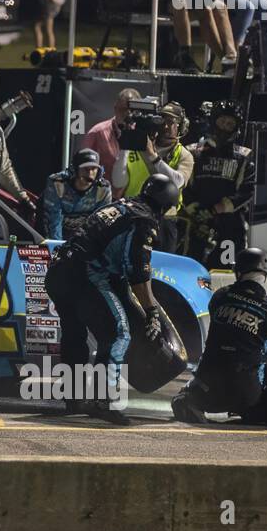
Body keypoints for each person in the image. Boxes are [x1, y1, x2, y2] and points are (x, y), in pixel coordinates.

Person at [45, 173, 180, 426]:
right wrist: (151, 311)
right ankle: (102, 400)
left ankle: (73, 399)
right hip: (84, 274)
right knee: (118, 334)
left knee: (74, 334)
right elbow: (138, 271)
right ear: (164, 205)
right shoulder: (144, 221)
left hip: (59, 271)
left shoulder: (118, 205)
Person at [171, 248, 267, 428]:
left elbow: (217, 339)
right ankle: (264, 409)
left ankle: (192, 402)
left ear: (238, 272)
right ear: (265, 275)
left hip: (208, 390)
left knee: (181, 397)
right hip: (245, 394)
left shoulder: (219, 296)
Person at [180, 101, 256, 269]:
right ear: (213, 121)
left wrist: (215, 210)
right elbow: (182, 185)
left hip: (230, 225)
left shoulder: (244, 156)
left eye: (230, 124)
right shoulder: (192, 151)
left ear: (236, 128)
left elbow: (247, 191)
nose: (224, 127)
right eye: (222, 122)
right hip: (195, 221)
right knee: (191, 270)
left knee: (226, 272)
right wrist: (197, 211)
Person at [111, 101, 193, 252]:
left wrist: (152, 156)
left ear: (181, 126)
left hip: (164, 219)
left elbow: (178, 182)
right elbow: (118, 182)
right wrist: (124, 149)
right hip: (134, 214)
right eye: (162, 121)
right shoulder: (137, 145)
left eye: (171, 122)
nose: (166, 126)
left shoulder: (184, 155)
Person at [41, 148, 112, 240]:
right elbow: (53, 220)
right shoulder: (57, 183)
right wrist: (58, 247)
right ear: (74, 169)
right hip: (56, 234)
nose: (90, 173)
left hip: (84, 238)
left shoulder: (103, 189)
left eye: (93, 169)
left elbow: (101, 223)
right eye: (85, 169)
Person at [82, 87, 140, 187]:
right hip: (105, 197)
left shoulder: (142, 134)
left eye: (132, 110)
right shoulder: (97, 132)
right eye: (123, 109)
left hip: (134, 197)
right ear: (115, 108)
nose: (128, 114)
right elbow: (83, 167)